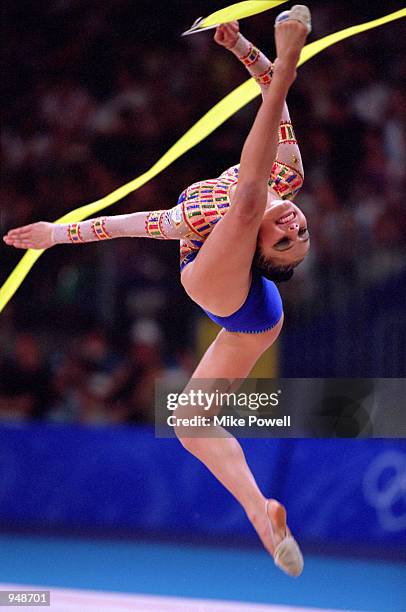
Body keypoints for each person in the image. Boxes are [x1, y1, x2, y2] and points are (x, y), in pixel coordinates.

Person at [4, 6, 311, 576]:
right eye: (301, 232)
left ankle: (292, 56)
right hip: (262, 320)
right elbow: (274, 94)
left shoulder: (206, 213)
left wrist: (56, 234)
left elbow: (125, 224)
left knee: (245, 199)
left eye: (286, 240)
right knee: (190, 422)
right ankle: (261, 516)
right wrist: (242, 46)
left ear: (263, 254)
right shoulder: (288, 175)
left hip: (225, 288)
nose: (295, 225)